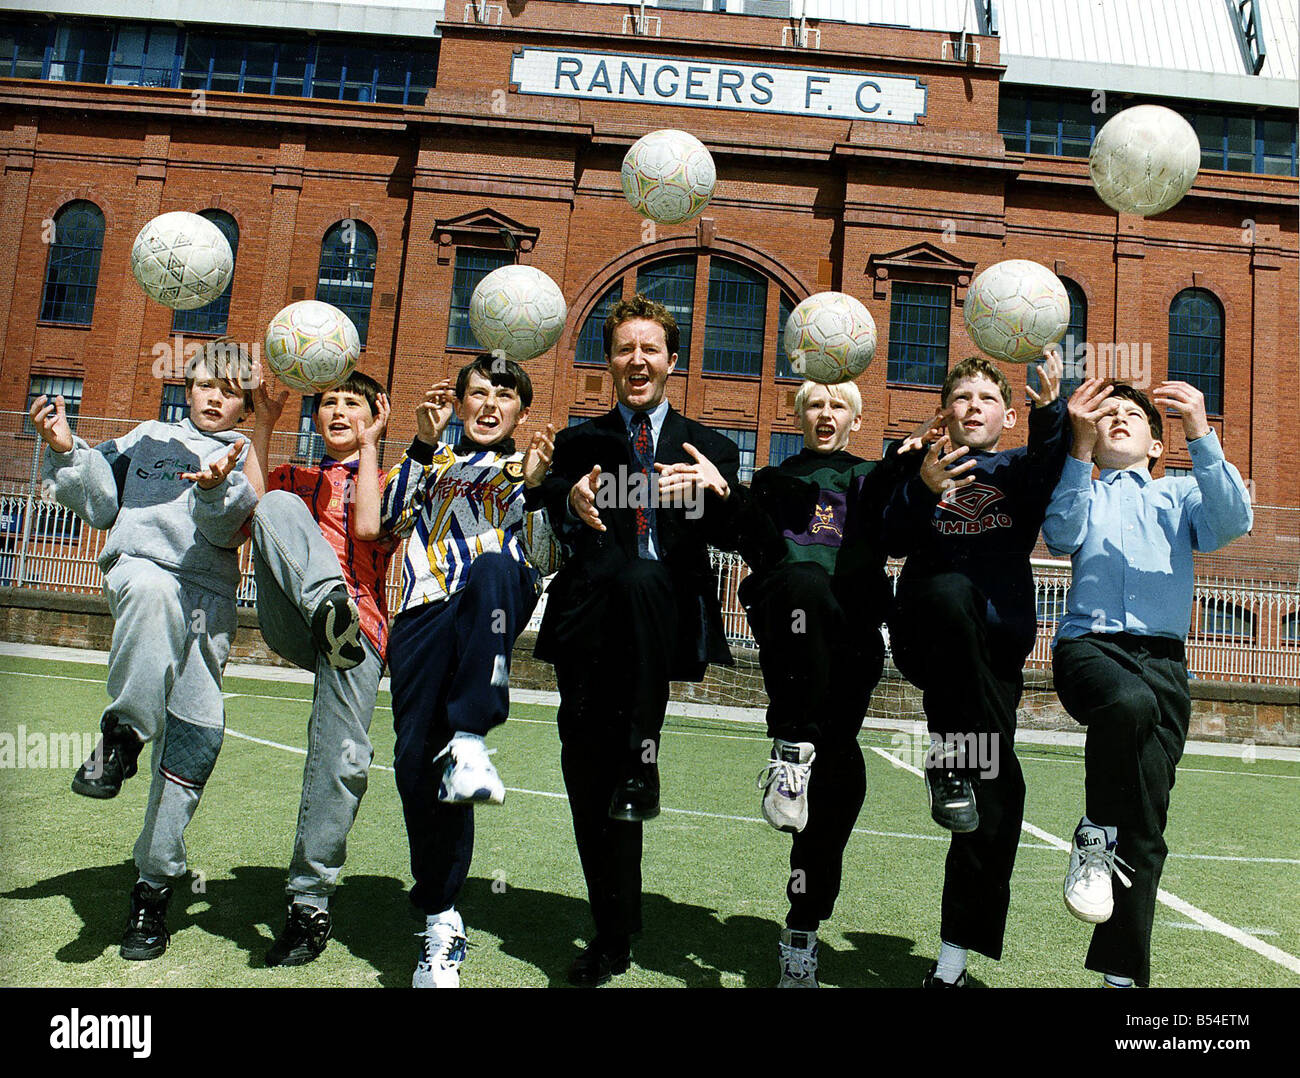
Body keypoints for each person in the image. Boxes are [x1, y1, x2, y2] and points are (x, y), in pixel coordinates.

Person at [530, 293, 740, 986]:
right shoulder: (581, 442)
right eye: (625, 349)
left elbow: (741, 540)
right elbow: (548, 512)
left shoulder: (709, 446)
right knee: (590, 779)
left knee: (643, 579)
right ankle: (612, 933)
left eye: (651, 348)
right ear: (611, 362)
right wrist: (569, 499)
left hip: (661, 621)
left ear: (672, 361)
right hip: (590, 628)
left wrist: (719, 494)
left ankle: (643, 757)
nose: (638, 360)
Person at [33, 339, 257, 959]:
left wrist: (216, 489)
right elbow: (100, 505)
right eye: (208, 384)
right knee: (155, 588)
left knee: (194, 744)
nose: (217, 397)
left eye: (232, 391)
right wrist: (63, 449)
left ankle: (153, 888)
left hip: (205, 609)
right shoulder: (143, 436)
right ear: (189, 388)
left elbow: (222, 529)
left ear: (245, 406)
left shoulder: (240, 457)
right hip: (141, 571)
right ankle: (123, 735)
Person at [1043, 380, 1252, 988]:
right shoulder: (1080, 484)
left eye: (1132, 414)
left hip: (1164, 664)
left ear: (1157, 443)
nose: (1119, 420)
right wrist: (1077, 451)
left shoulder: (1181, 493)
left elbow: (1233, 520)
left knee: (1148, 833)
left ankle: (1122, 976)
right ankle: (1093, 833)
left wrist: (1201, 432)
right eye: (1106, 416)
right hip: (1090, 650)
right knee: (1126, 704)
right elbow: (1059, 534)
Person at [732, 378, 929, 987]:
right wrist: (726, 498)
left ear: (856, 418)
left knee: (837, 779)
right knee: (805, 586)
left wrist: (913, 459)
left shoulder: (872, 476)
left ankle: (802, 929)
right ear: (798, 415)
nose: (825, 413)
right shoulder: (772, 480)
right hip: (791, 630)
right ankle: (790, 743)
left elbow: (900, 511)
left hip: (850, 639)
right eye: (814, 403)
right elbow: (750, 546)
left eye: (837, 404)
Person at [883, 350, 1067, 987]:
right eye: (961, 399)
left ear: (1007, 415)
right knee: (954, 591)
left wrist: (1051, 411)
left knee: (998, 794)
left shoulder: (1018, 470)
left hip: (993, 655)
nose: (973, 409)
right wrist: (918, 486)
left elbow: (1051, 461)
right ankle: (947, 760)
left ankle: (953, 964)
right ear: (945, 412)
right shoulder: (919, 465)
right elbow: (883, 532)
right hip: (930, 633)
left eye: (986, 400)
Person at [381, 355, 559, 988]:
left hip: (489, 606)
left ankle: (473, 736)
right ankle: (438, 908)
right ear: (457, 405)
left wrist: (538, 491)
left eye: (504, 396)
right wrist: (421, 443)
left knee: (491, 568)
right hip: (424, 612)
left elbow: (543, 557)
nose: (489, 404)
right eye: (477, 394)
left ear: (520, 411)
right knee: (414, 765)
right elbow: (382, 522)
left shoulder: (529, 469)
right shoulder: (431, 463)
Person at [241, 368, 397, 967]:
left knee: (339, 762)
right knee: (273, 502)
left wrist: (369, 448)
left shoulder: (387, 478)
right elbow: (250, 507)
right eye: (327, 402)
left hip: (356, 635)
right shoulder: (294, 477)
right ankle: (324, 599)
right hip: (300, 616)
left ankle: (308, 906)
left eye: (351, 403)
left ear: (375, 412)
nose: (336, 411)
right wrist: (265, 421)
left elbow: (366, 527)